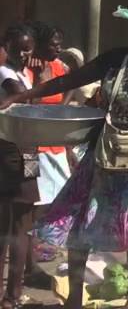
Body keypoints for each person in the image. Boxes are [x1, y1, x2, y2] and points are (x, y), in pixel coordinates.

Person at [1, 0, 128, 309]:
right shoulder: (114, 59)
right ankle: (75, 296)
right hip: (102, 153)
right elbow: (69, 80)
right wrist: (23, 95)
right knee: (79, 221)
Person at [0, 24, 38, 309]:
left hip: (28, 152)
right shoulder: (6, 74)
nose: (24, 54)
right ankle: (12, 296)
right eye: (19, 49)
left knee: (21, 223)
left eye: (28, 49)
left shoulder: (23, 73)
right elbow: (22, 97)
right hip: (14, 154)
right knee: (15, 226)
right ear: (7, 47)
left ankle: (14, 292)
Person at [26, 23, 72, 208]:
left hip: (56, 142)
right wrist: (38, 78)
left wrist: (61, 108)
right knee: (33, 194)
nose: (59, 49)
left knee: (62, 194)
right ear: (40, 45)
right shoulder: (27, 69)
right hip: (31, 145)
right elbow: (28, 105)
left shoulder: (58, 67)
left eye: (60, 44)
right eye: (54, 45)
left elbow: (71, 83)